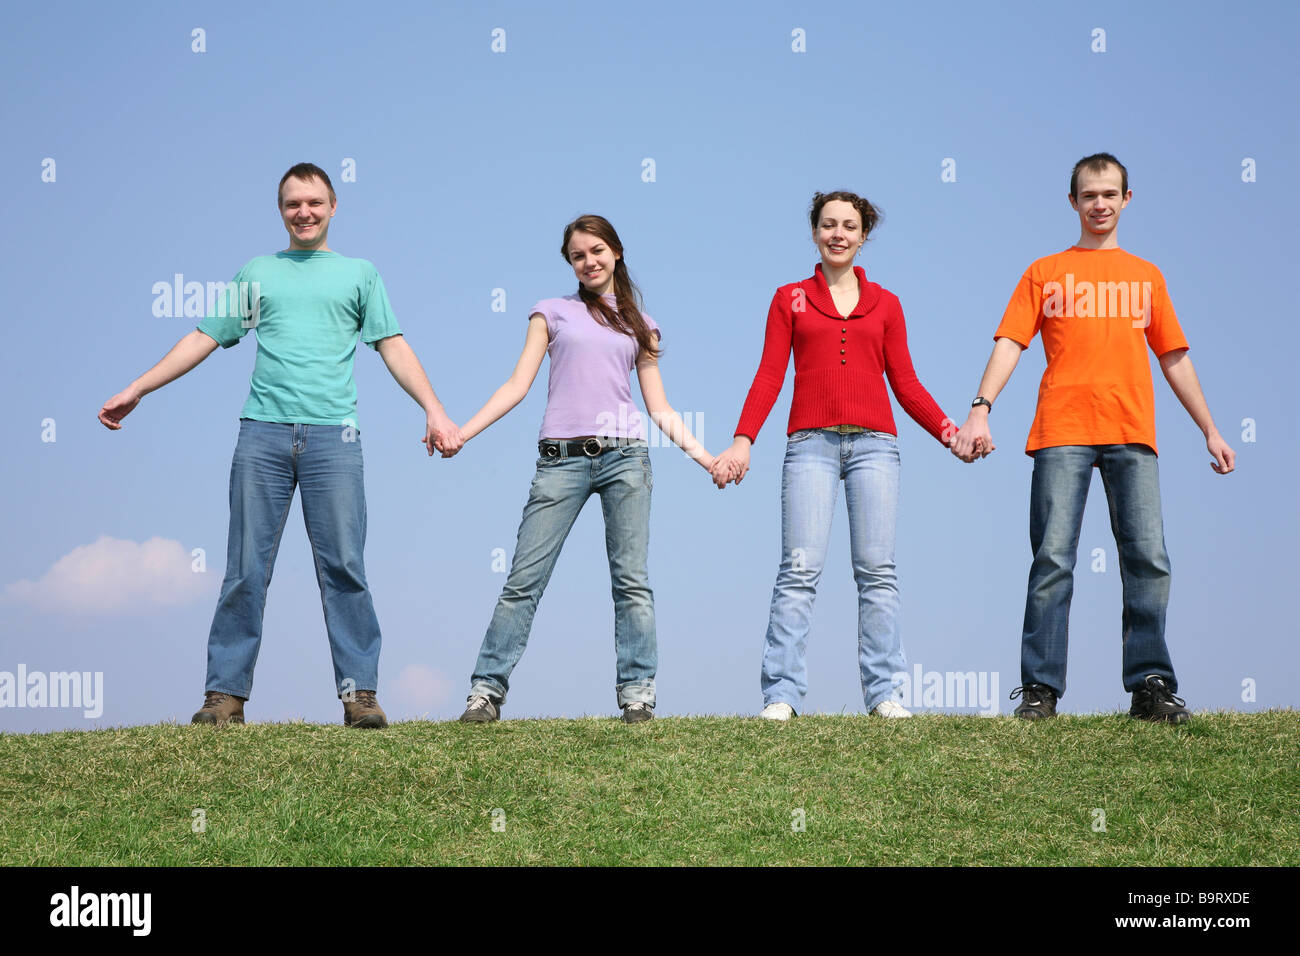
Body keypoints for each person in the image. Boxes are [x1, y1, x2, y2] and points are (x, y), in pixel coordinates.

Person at [98, 162, 461, 729]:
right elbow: (206, 336)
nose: (305, 212)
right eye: (294, 203)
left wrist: (434, 410)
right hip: (262, 435)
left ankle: (359, 694)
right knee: (245, 567)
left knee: (344, 565)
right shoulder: (258, 274)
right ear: (281, 210)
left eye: (315, 202)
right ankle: (225, 697)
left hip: (334, 439)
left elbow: (391, 344)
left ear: (333, 206)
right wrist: (137, 388)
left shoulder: (359, 275)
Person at [951, 152, 1236, 723]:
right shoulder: (1044, 271)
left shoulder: (1146, 275)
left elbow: (1174, 356)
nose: (1100, 204)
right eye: (1089, 195)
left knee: (1148, 558)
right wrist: (980, 409)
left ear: (1126, 200)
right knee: (1053, 559)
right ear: (1073, 202)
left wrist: (1209, 428)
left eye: (1110, 194)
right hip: (1061, 431)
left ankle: (1151, 685)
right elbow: (1010, 341)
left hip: (1133, 432)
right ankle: (1040, 690)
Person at [455, 214, 716, 725]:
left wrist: (707, 460)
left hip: (625, 457)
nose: (589, 261)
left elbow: (659, 408)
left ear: (616, 251)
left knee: (631, 581)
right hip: (560, 460)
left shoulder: (642, 325)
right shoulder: (550, 312)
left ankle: (638, 696)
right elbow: (516, 384)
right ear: (570, 264)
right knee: (524, 578)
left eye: (596, 250)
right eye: (578, 255)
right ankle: (485, 693)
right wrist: (463, 433)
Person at [711, 191, 959, 721]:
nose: (838, 234)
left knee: (877, 571)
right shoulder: (790, 298)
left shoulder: (887, 304)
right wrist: (742, 439)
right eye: (828, 225)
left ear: (864, 235)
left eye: (849, 225)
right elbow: (770, 375)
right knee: (798, 570)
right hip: (809, 446)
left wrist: (948, 431)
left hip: (875, 446)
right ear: (815, 233)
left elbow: (906, 381)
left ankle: (885, 694)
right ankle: (781, 696)